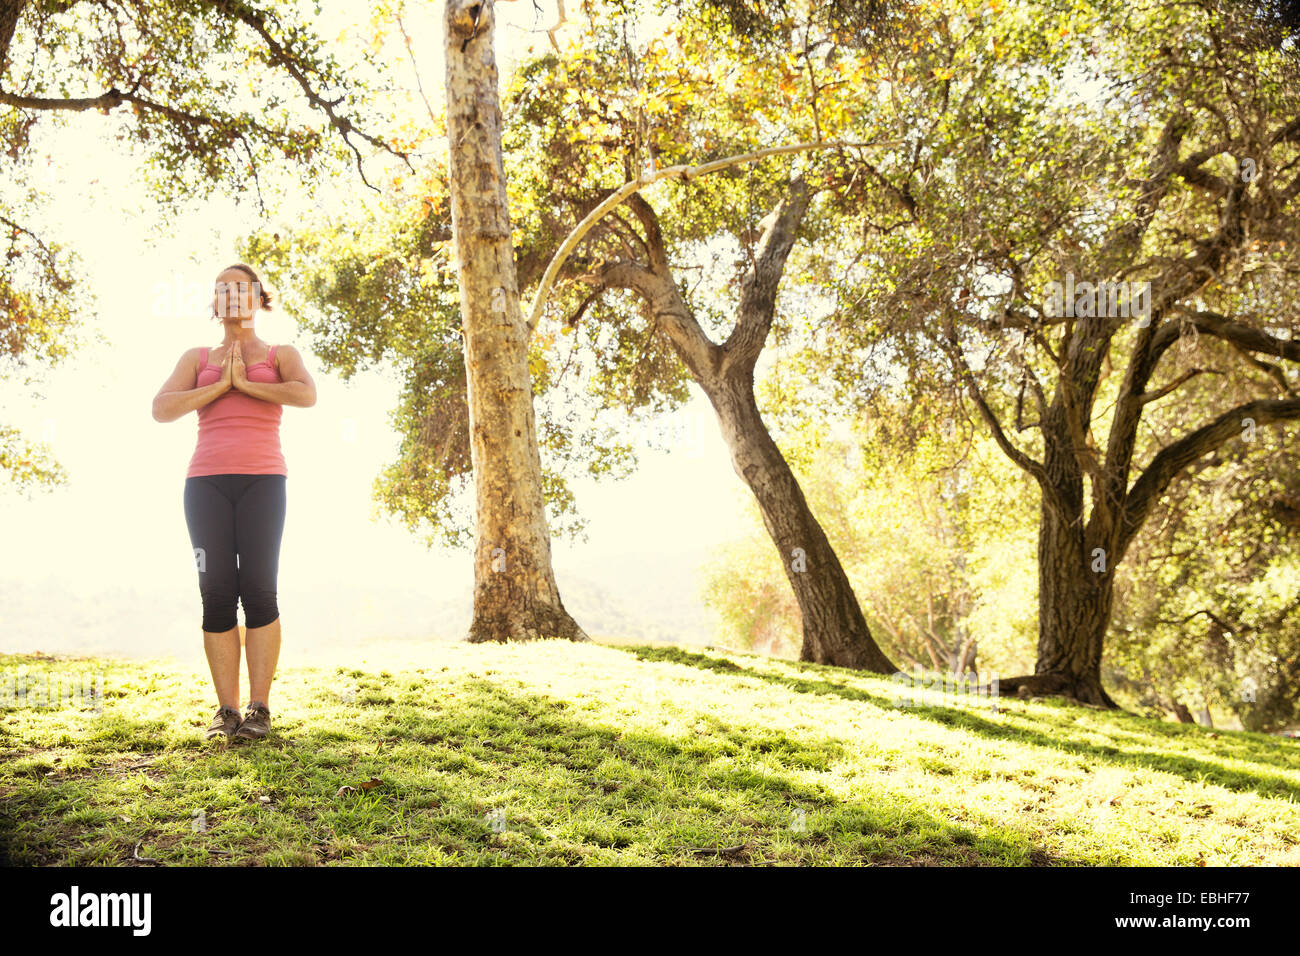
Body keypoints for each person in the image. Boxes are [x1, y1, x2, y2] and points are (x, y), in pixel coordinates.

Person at [151, 263, 316, 742]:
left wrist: (246, 385)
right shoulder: (197, 356)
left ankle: (258, 709)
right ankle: (226, 712)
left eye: (240, 287)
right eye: (221, 289)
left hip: (264, 481)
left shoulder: (279, 353)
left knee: (260, 589)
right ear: (215, 301)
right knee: (217, 593)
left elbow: (306, 394)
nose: (230, 294)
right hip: (205, 484)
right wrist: (220, 385)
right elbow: (161, 408)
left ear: (258, 297)